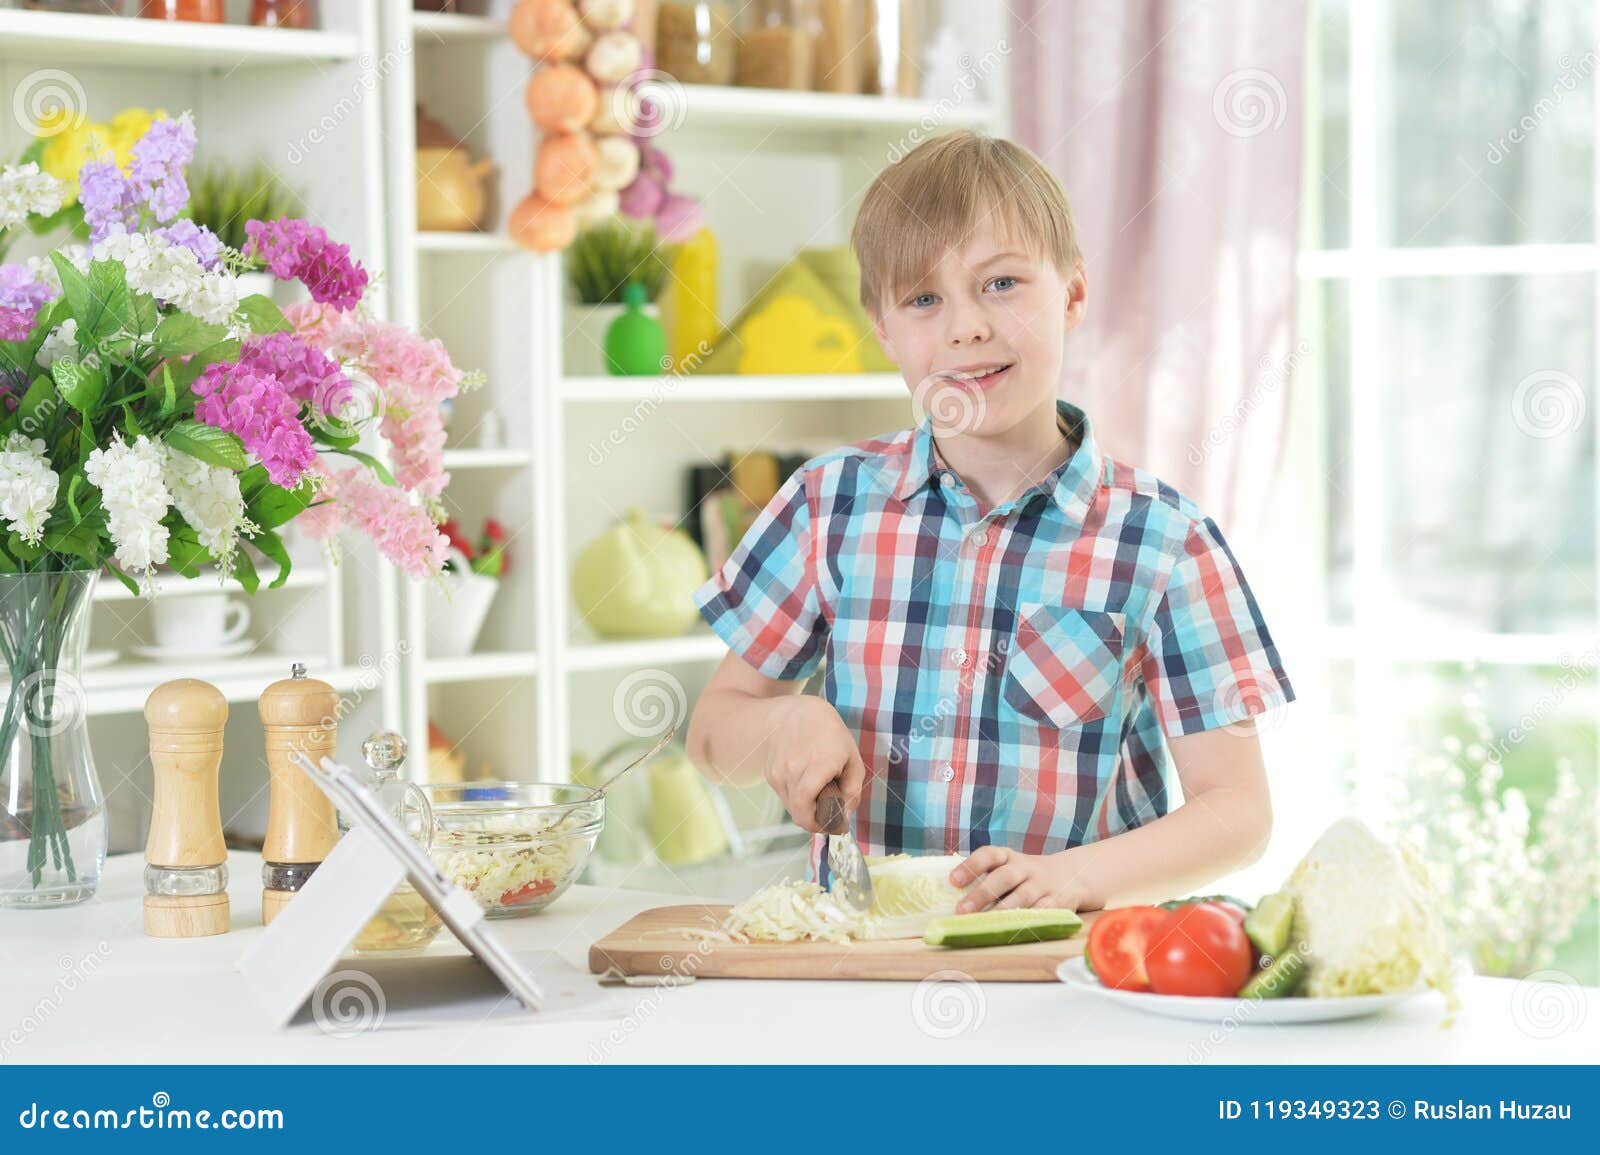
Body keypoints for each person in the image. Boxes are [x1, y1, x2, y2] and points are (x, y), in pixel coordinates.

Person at [686, 130, 1294, 914]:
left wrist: (1074, 878)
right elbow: (712, 733)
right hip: (861, 973)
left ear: (1072, 294)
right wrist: (786, 724)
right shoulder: (825, 506)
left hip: (1071, 984)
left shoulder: (1166, 542)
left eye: (1001, 283)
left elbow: (1237, 813)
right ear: (884, 330)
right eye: (923, 300)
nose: (966, 326)